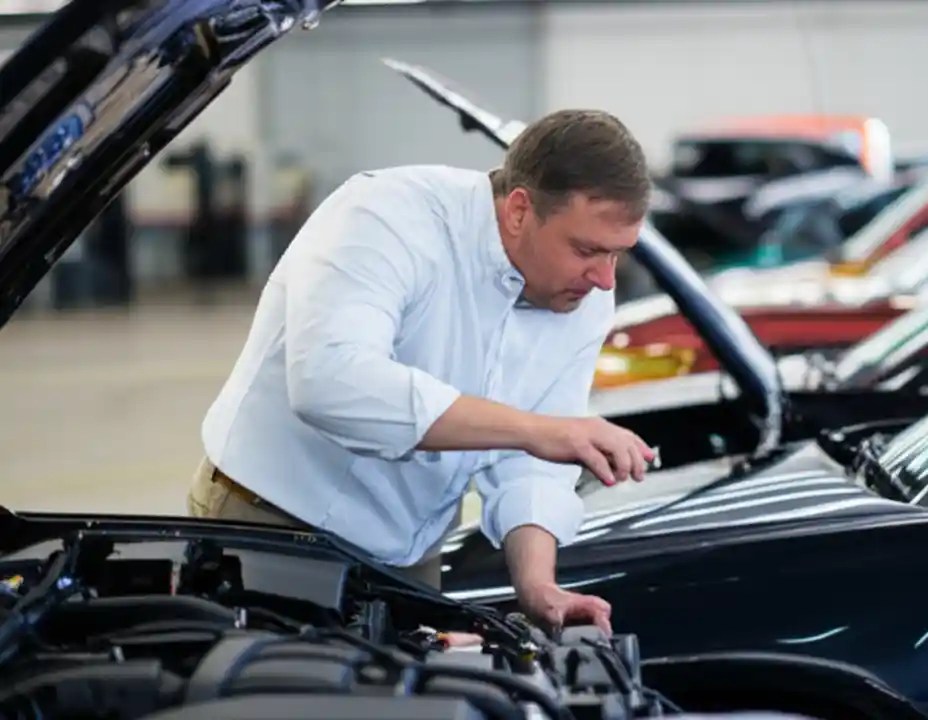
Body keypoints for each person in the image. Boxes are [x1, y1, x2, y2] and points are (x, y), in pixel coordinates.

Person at [187, 109, 655, 635]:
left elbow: (536, 464)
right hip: (275, 523)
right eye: (587, 250)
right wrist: (537, 430)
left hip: (408, 555)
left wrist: (538, 587)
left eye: (618, 254)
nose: (604, 279)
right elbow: (329, 380)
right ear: (520, 211)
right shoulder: (386, 217)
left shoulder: (582, 294)